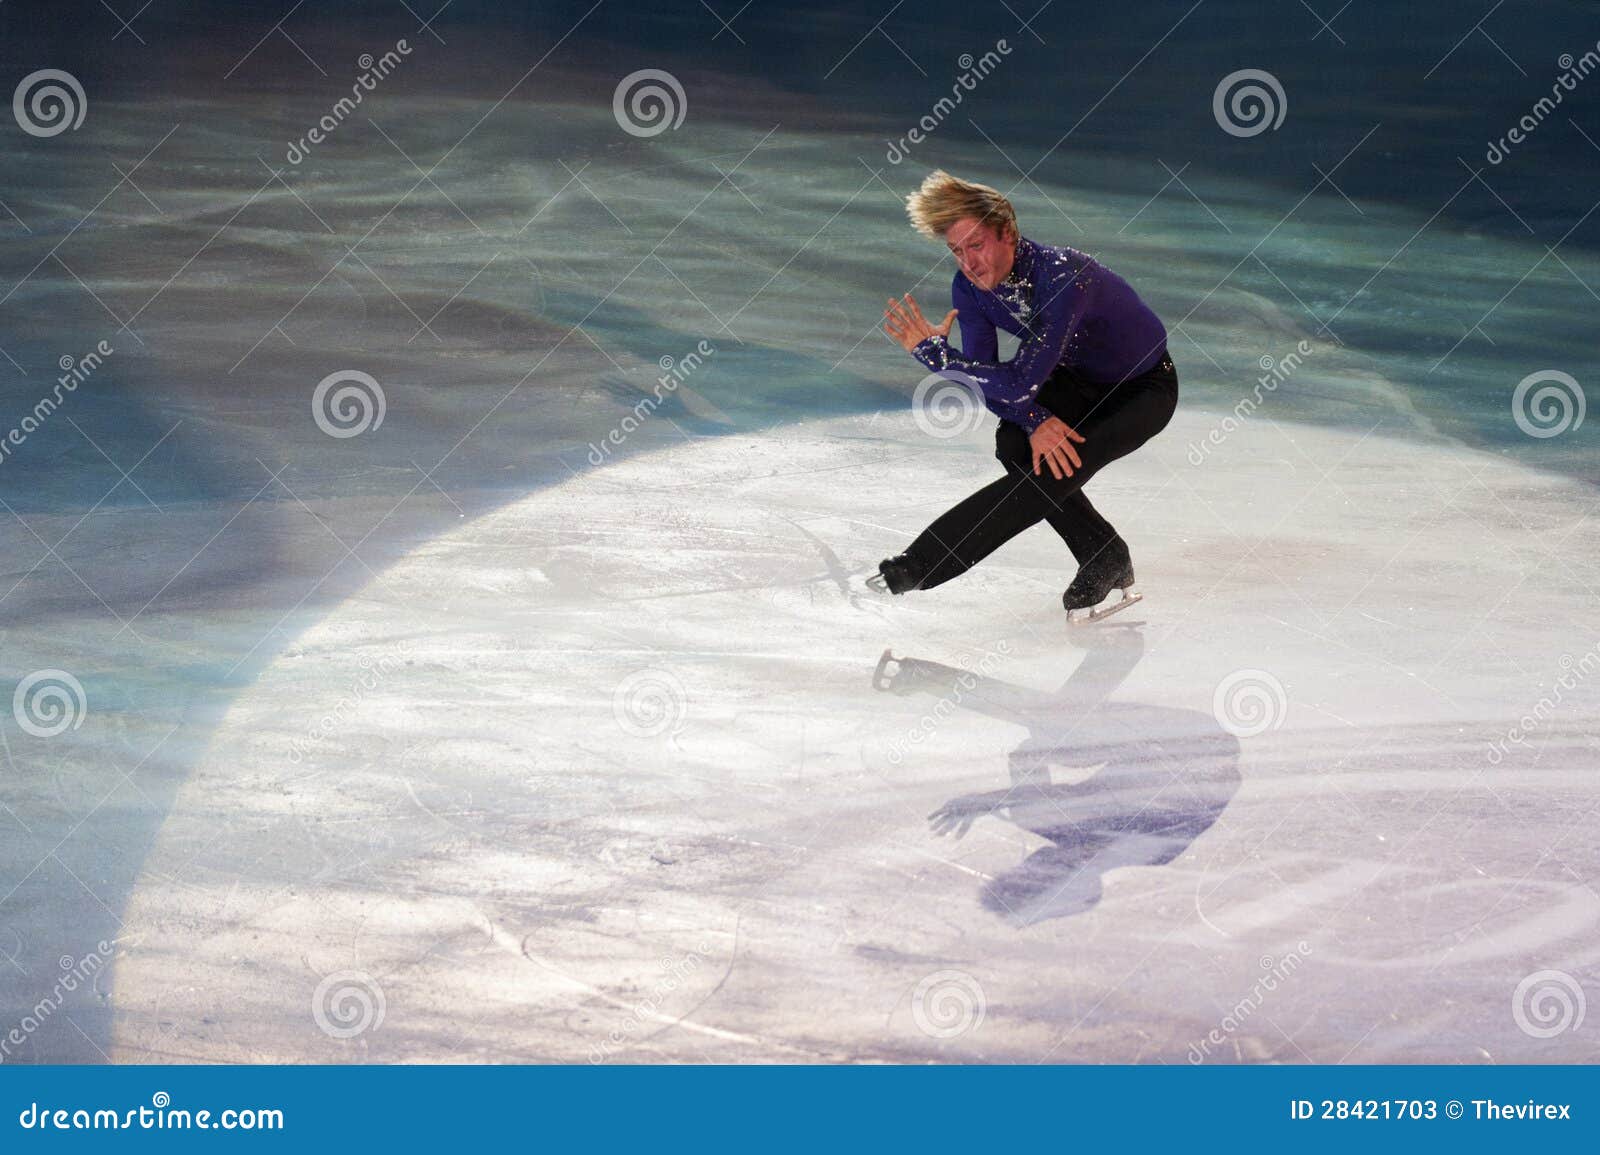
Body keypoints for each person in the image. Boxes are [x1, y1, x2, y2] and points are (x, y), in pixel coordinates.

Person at [875, 170, 1178, 620]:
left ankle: (922, 564)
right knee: (1015, 444)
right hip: (1077, 380)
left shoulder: (1063, 278)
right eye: (956, 251)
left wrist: (941, 360)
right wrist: (1034, 421)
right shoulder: (970, 289)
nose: (969, 263)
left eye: (975, 245)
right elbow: (992, 380)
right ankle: (1105, 554)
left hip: (1142, 389)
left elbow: (1015, 383)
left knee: (1051, 471)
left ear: (1007, 234)